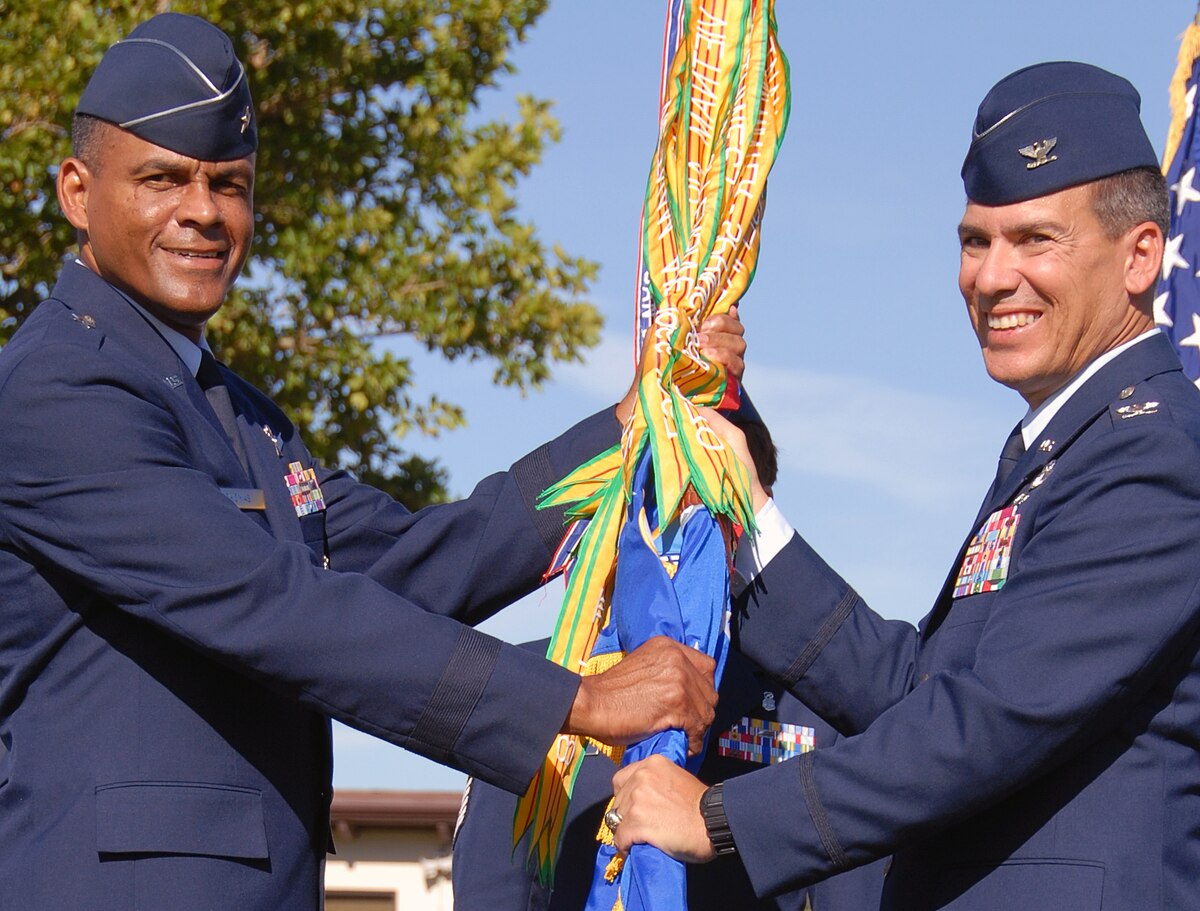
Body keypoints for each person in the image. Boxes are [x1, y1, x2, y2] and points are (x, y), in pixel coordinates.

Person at [0, 14, 746, 910]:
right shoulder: (51, 391)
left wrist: (629, 425)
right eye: (163, 179)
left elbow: (411, 564)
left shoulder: (241, 417)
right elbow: (274, 605)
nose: (203, 211)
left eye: (228, 185)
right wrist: (573, 702)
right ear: (77, 193)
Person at [606, 61, 1200, 911]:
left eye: (1036, 240)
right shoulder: (1061, 445)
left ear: (1142, 256)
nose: (992, 277)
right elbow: (922, 691)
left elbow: (987, 720)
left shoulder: (1153, 453)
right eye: (975, 240)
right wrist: (753, 522)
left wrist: (719, 815)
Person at [452, 408, 885, 910]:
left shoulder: (811, 706)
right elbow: (492, 889)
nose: (673, 531)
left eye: (707, 504)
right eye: (649, 498)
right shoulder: (531, 684)